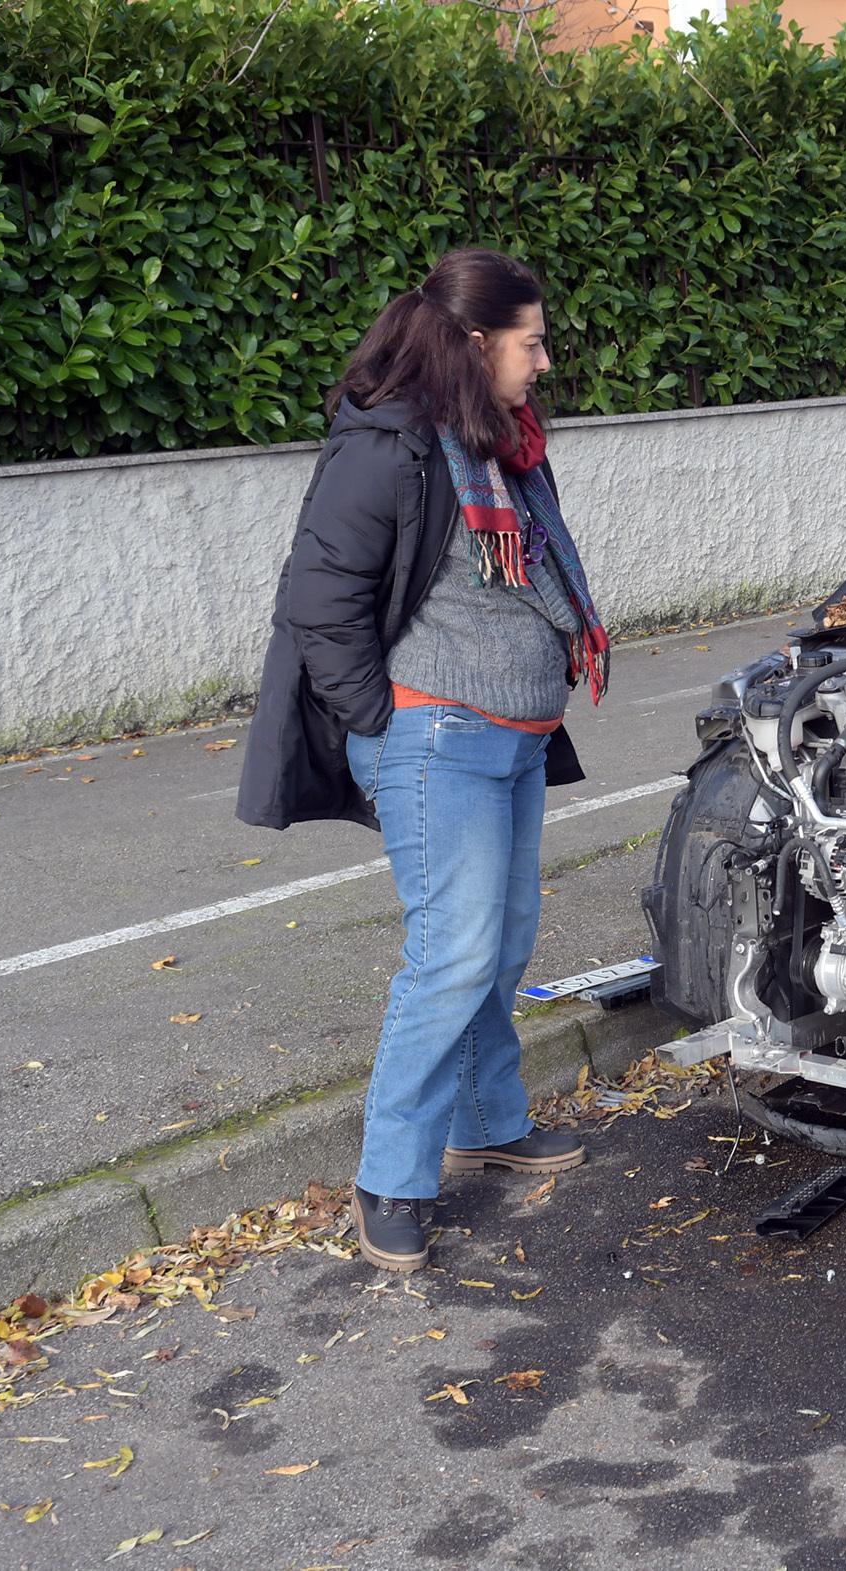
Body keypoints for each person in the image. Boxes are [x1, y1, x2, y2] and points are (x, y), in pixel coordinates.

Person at [237, 248, 611, 1272]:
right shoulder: (389, 446)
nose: (543, 359)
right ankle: (389, 1179)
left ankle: (487, 1122)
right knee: (450, 953)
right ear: (476, 342)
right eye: (530, 342)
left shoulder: (493, 442)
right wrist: (383, 720)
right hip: (435, 738)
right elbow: (319, 600)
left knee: (500, 944)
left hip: (514, 738)